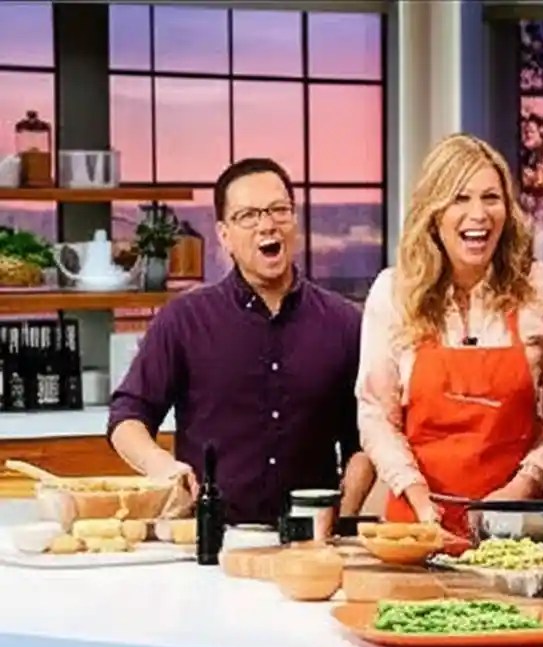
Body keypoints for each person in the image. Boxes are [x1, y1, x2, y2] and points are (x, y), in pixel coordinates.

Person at [109, 157, 375, 524]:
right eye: (249, 215)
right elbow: (127, 417)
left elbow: (364, 438)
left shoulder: (345, 323)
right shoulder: (185, 320)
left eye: (279, 210)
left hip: (313, 546)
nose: (267, 225)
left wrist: (348, 508)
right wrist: (164, 469)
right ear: (224, 234)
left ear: (294, 220)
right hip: (212, 542)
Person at [355, 133, 543, 537]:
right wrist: (416, 494)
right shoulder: (393, 293)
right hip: (420, 526)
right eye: (460, 198)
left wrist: (522, 486)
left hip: (523, 525)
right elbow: (376, 413)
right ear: (432, 212)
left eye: (491, 198)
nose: (478, 214)